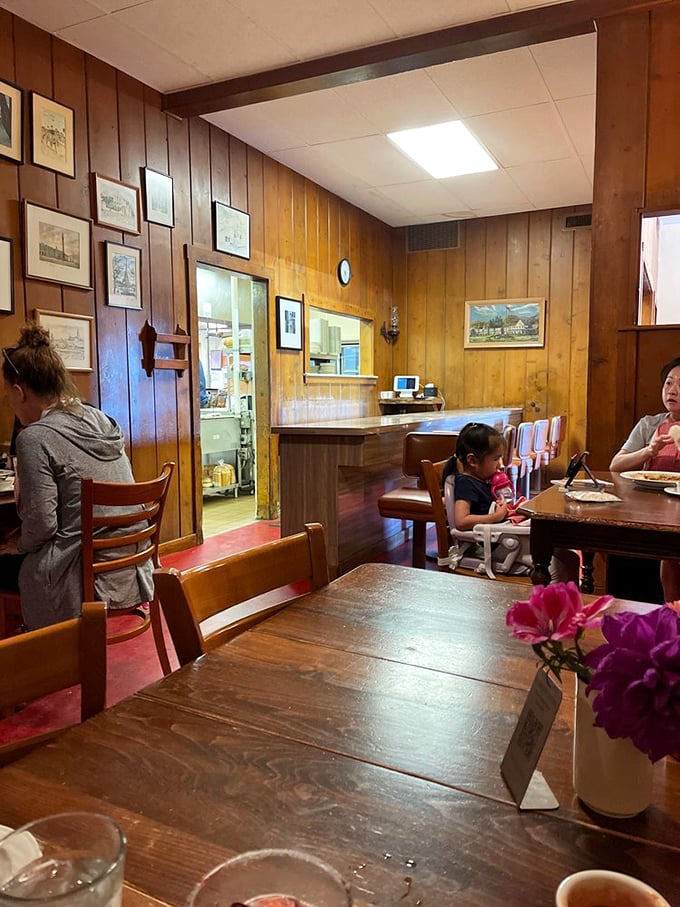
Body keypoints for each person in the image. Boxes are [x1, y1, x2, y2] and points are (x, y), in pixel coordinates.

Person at [0, 323, 153, 630]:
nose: (9, 403)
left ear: (19, 392)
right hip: (130, 561)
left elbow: (42, 525)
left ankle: (29, 653)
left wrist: (18, 545)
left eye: (8, 396)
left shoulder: (35, 437)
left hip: (79, 572)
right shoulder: (99, 418)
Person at [609, 356, 680, 601]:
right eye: (669, 383)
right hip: (648, 509)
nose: (673, 391)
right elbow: (616, 465)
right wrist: (649, 451)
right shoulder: (649, 424)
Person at [442, 422, 511, 531]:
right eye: (495, 459)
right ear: (472, 461)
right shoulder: (466, 483)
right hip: (487, 543)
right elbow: (461, 521)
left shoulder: (483, 480)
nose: (500, 465)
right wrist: (496, 517)